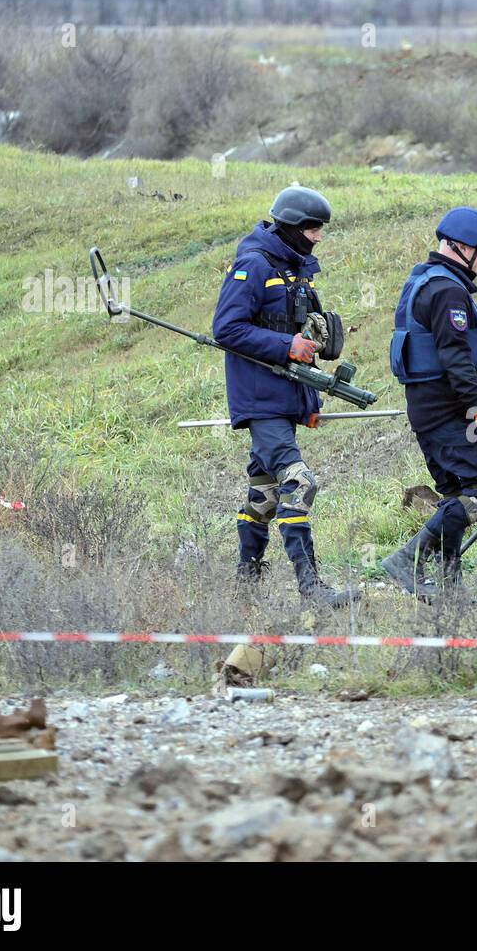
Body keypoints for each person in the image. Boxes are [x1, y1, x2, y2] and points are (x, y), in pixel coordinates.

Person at [211, 185, 357, 685]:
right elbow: (225, 329)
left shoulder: (293, 269)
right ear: (290, 226)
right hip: (260, 400)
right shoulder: (252, 265)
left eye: (321, 229)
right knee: (298, 483)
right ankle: (311, 588)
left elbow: (299, 333)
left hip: (283, 400)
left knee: (265, 492)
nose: (318, 236)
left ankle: (245, 585)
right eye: (312, 228)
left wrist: (315, 340)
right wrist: (286, 345)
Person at [382, 207, 477, 601]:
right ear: (461, 247)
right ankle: (407, 559)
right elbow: (452, 353)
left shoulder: (424, 281)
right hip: (449, 413)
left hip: (429, 410)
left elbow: (437, 351)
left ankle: (451, 586)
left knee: (456, 497)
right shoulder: (447, 290)